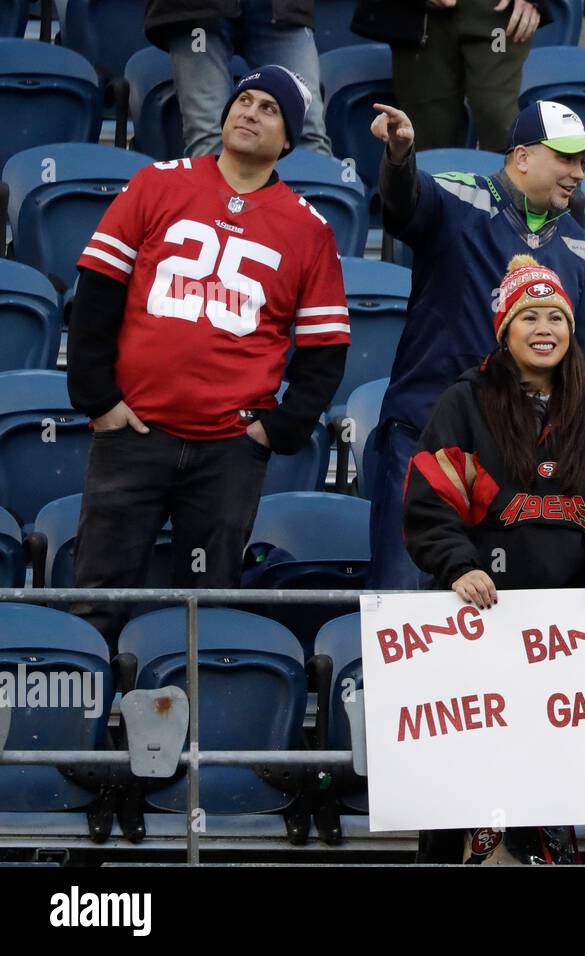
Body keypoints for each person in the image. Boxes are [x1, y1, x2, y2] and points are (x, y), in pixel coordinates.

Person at [67, 65, 350, 640]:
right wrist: (98, 398)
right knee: (97, 595)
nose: (249, 113)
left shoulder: (307, 229)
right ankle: (85, 726)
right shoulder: (157, 183)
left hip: (227, 451)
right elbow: (98, 289)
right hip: (134, 434)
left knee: (206, 610)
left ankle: (197, 727)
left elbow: (325, 347)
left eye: (269, 108)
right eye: (243, 101)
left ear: (289, 139)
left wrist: (280, 429)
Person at [403, 254, 585, 863]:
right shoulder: (466, 402)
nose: (545, 328)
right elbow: (430, 501)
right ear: (504, 329)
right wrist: (460, 566)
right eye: (529, 316)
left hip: (566, 632)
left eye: (556, 317)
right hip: (479, 621)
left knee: (551, 761)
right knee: (471, 767)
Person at [367, 98, 585, 590]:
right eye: (566, 158)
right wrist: (398, 158)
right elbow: (403, 205)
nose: (578, 173)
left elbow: (580, 366)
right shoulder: (458, 198)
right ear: (521, 157)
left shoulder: (578, 245)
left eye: (583, 161)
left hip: (517, 461)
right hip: (425, 434)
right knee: (403, 601)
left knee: (497, 617)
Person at [352, 0, 548, 152]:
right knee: (427, 134)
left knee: (498, 118)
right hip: (418, 14)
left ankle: (512, 200)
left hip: (498, 11)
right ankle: (432, 200)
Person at [144, 1, 332, 157]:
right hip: (194, 8)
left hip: (281, 8)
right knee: (210, 134)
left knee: (307, 133)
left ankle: (315, 202)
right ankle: (215, 203)